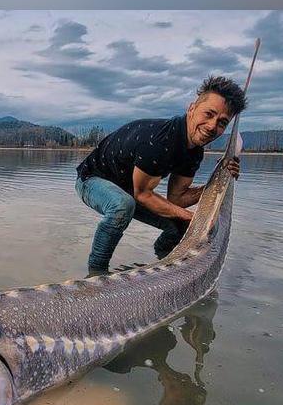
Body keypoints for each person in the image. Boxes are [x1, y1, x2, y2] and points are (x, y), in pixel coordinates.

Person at [75, 76, 247, 276]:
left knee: (180, 224)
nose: (211, 126)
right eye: (208, 114)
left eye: (222, 122)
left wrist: (218, 182)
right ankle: (96, 274)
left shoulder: (194, 152)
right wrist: (197, 219)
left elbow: (177, 199)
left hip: (130, 190)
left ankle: (164, 263)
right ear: (192, 108)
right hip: (92, 180)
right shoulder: (160, 140)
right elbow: (143, 195)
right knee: (122, 205)